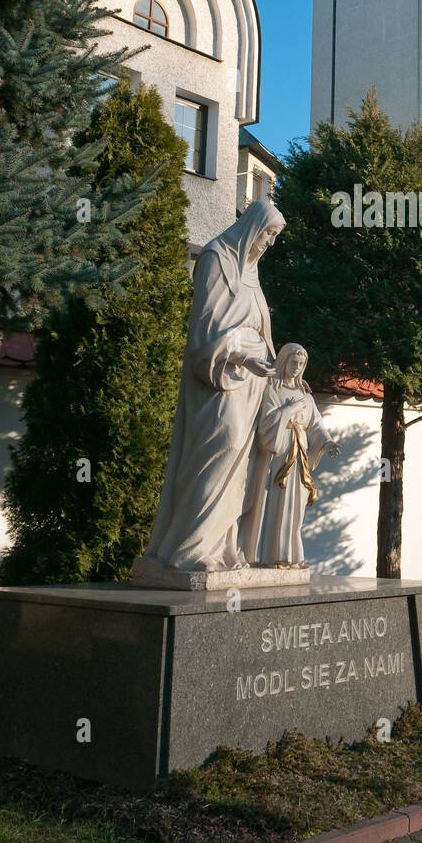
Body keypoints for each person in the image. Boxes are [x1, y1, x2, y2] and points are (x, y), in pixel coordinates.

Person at [140, 199, 285, 573]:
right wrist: (239, 354)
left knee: (240, 466)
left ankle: (220, 548)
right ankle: (188, 550)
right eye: (268, 233)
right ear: (253, 226)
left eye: (274, 237)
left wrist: (271, 364)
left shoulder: (251, 273)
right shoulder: (215, 258)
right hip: (219, 381)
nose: (269, 243)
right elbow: (206, 332)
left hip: (251, 384)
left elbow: (260, 329)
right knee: (220, 449)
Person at [244, 343, 340, 568]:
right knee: (273, 503)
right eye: (293, 363)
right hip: (276, 456)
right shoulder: (272, 390)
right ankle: (268, 556)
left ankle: (291, 556)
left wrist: (326, 442)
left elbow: (316, 425)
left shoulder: (306, 396)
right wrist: (288, 411)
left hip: (299, 457)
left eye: (301, 364)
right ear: (284, 362)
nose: (297, 368)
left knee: (294, 507)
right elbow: (265, 425)